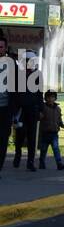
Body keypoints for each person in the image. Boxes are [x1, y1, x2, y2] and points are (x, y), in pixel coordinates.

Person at [11, 53, 42, 171]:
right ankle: (17, 154)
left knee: (32, 136)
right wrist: (14, 110)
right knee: (20, 134)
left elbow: (39, 93)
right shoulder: (18, 76)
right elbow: (13, 93)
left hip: (33, 109)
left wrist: (41, 108)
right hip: (20, 109)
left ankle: (30, 161)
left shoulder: (37, 75)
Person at [38, 90, 64, 170]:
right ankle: (42, 163)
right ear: (45, 99)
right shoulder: (43, 108)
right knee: (43, 150)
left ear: (55, 98)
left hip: (54, 133)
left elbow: (59, 118)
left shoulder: (58, 109)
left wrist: (61, 124)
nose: (50, 99)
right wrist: (39, 116)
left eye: (52, 97)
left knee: (56, 149)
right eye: (48, 97)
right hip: (45, 133)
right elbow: (40, 117)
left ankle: (59, 163)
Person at [0, 35, 15, 178]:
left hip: (5, 109)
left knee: (3, 138)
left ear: (5, 48)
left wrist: (15, 110)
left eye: (1, 47)